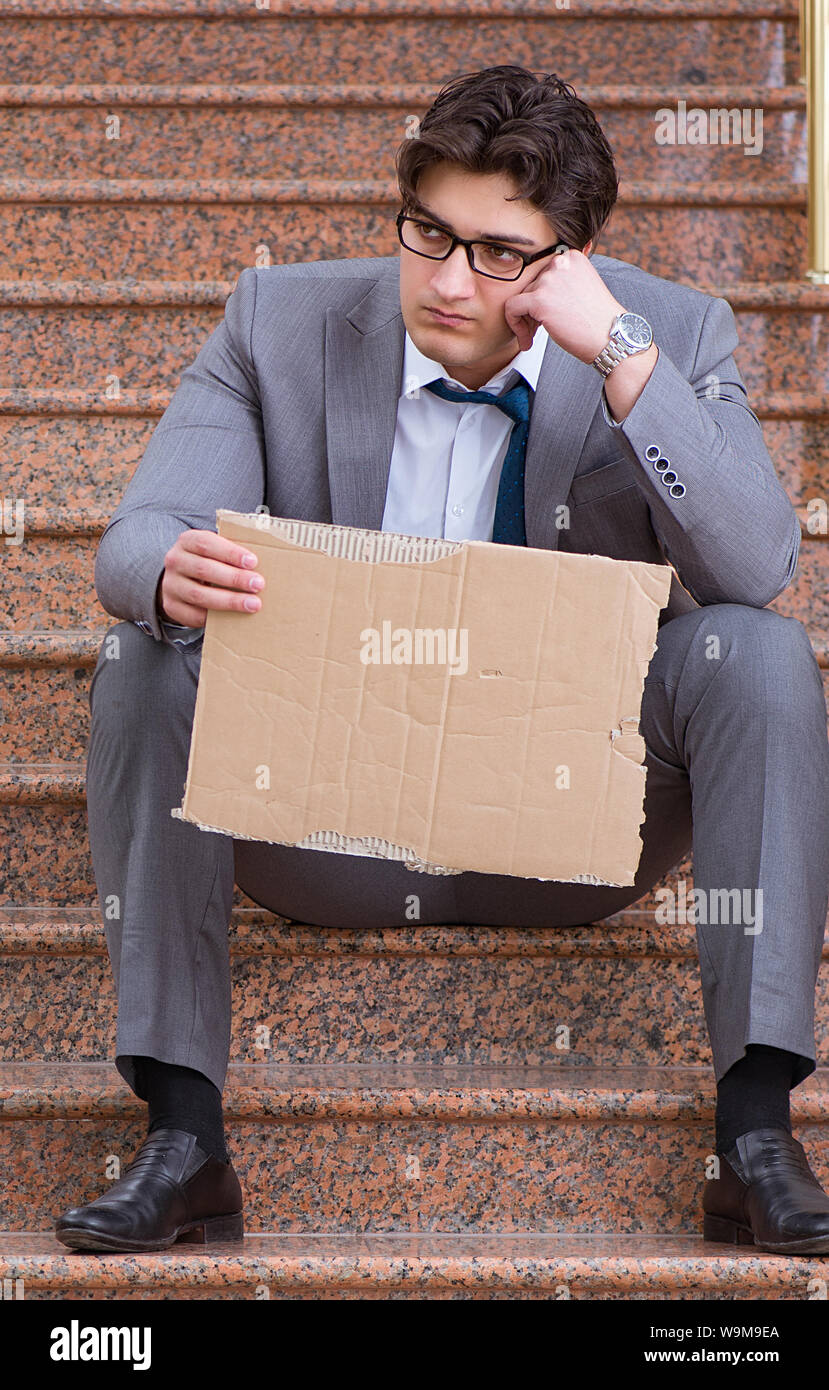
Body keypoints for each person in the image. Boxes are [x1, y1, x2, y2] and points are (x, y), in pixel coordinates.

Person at [55, 65, 829, 1256]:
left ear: (570, 259)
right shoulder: (280, 321)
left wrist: (619, 360)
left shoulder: (667, 334)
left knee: (759, 653)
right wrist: (165, 574)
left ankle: (754, 1131)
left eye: (499, 252)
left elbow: (755, 560)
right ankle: (184, 1133)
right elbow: (139, 532)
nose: (450, 280)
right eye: (429, 234)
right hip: (328, 830)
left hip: (579, 830)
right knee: (146, 655)